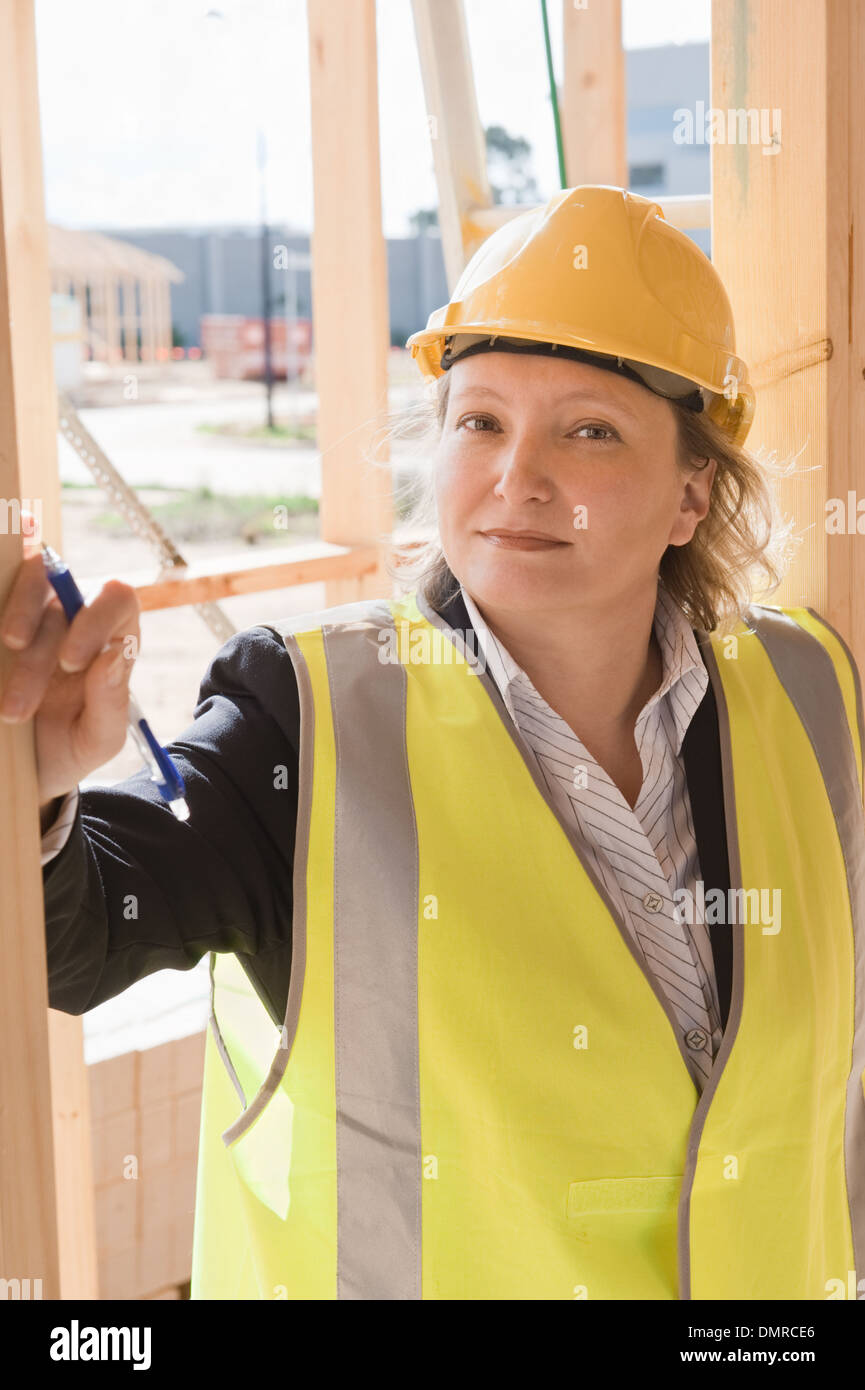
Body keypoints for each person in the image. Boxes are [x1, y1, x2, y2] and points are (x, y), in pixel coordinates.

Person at [3, 185, 864, 1301]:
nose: (519, 478)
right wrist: (41, 794)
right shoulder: (305, 718)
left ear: (691, 492)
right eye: (481, 422)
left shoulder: (807, 689)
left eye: (588, 429)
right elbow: (79, 936)